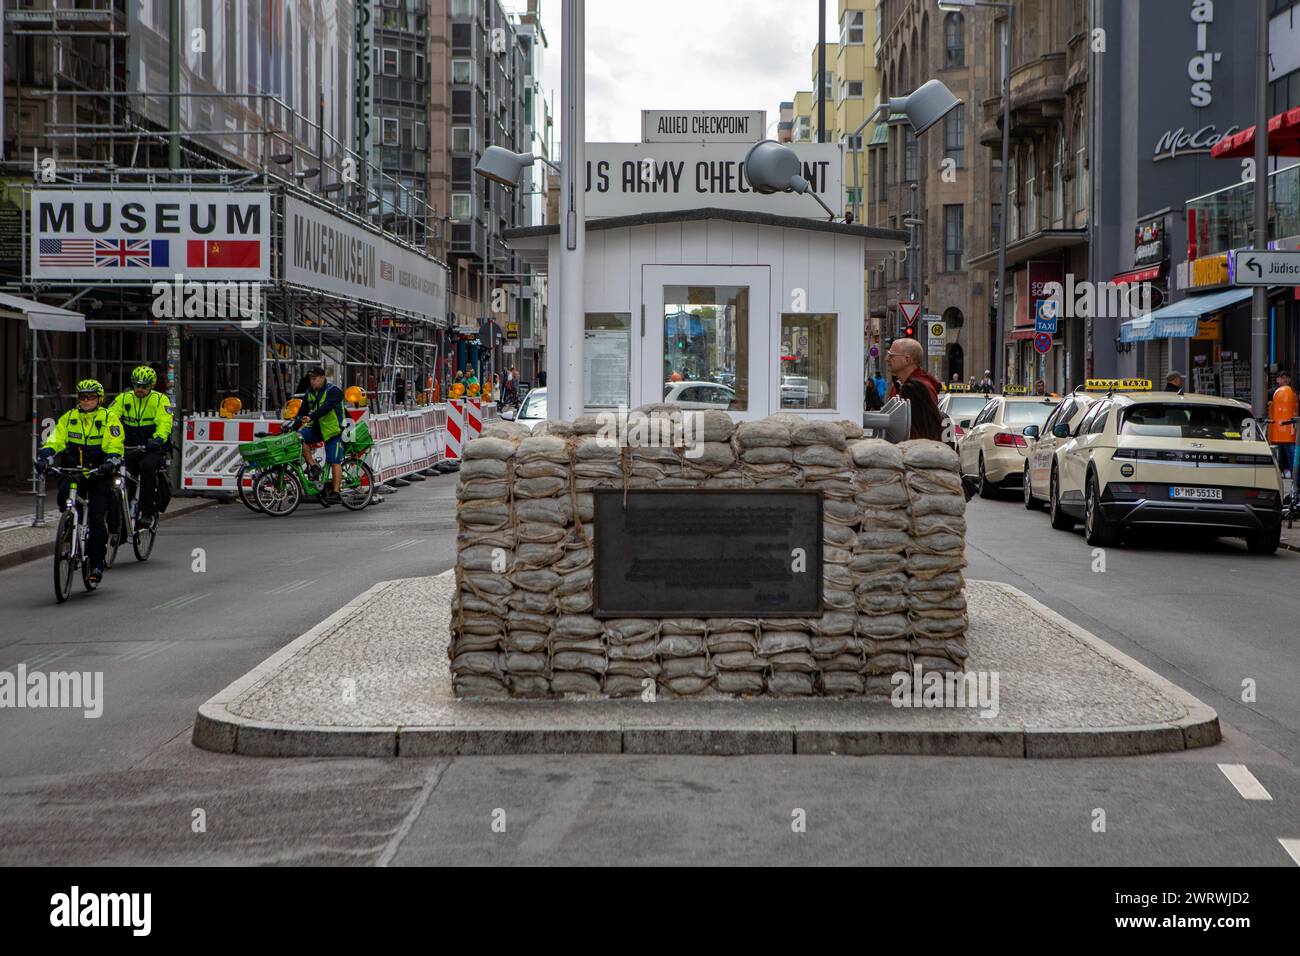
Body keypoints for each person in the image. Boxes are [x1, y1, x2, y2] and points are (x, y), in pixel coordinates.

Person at [35, 379, 125, 584]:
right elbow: (55, 440)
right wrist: (45, 456)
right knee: (64, 495)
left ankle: (96, 564)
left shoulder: (109, 418)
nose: (86, 400)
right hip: (74, 471)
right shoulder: (69, 418)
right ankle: (68, 528)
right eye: (82, 397)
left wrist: (111, 460)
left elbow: (115, 443)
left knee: (96, 518)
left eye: (90, 397)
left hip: (99, 473)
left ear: (99, 399)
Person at [108, 365, 173, 526]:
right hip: (130, 444)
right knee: (119, 471)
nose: (140, 389)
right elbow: (110, 417)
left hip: (152, 446)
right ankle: (118, 513)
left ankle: (147, 512)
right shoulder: (124, 398)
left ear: (151, 385)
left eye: (144, 386)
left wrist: (158, 439)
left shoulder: (160, 399)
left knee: (147, 467)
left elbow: (165, 423)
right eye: (137, 385)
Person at [297, 366, 346, 503]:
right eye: (310, 379)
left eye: (314, 379)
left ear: (323, 378)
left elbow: (326, 408)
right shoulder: (309, 392)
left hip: (333, 431)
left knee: (334, 460)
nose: (312, 382)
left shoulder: (334, 391)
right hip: (317, 429)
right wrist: (291, 426)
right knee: (298, 438)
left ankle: (336, 492)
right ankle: (313, 466)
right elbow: (302, 412)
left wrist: (311, 417)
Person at [885, 338, 944, 441]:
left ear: (907, 360)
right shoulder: (897, 386)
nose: (887, 359)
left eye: (891, 355)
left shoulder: (922, 388)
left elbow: (924, 427)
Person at [1268, 370, 1297, 475]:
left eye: (1286, 377)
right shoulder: (1271, 392)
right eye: (1282, 377)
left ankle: (1292, 471)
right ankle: (1280, 471)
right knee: (1279, 452)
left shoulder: (1293, 392)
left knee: (1291, 453)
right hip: (1276, 429)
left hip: (1290, 429)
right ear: (1277, 379)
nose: (1284, 380)